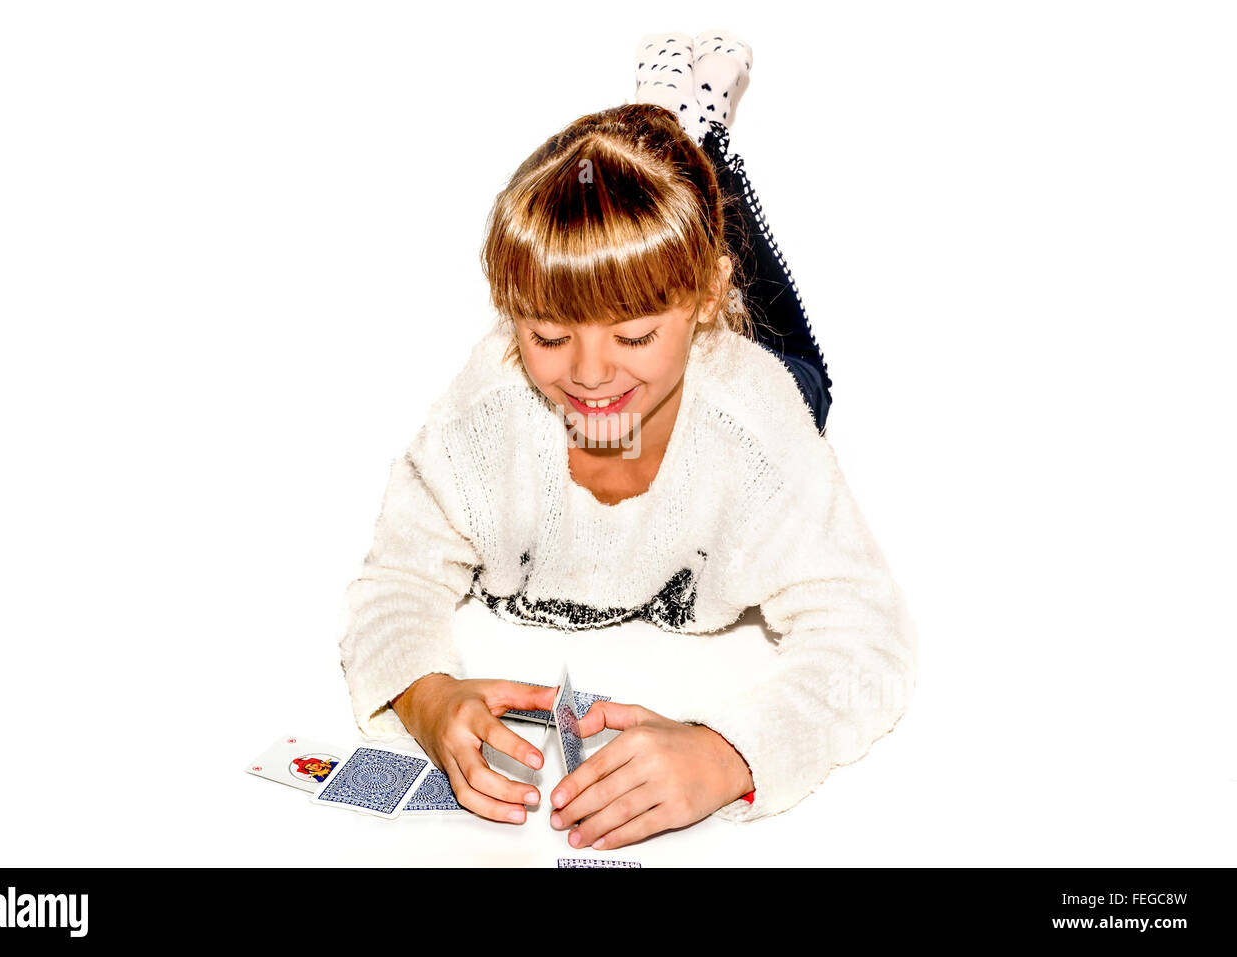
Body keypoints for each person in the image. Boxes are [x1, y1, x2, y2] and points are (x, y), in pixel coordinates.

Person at [338, 30, 917, 851]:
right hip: (684, 336)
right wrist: (427, 696)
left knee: (791, 355)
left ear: (703, 301)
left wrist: (729, 753)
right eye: (546, 334)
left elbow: (870, 634)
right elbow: (393, 579)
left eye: (637, 334)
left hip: (767, 368)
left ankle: (692, 131)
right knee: (652, 227)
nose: (590, 375)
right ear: (511, 316)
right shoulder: (486, 416)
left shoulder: (757, 429)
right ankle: (668, 142)